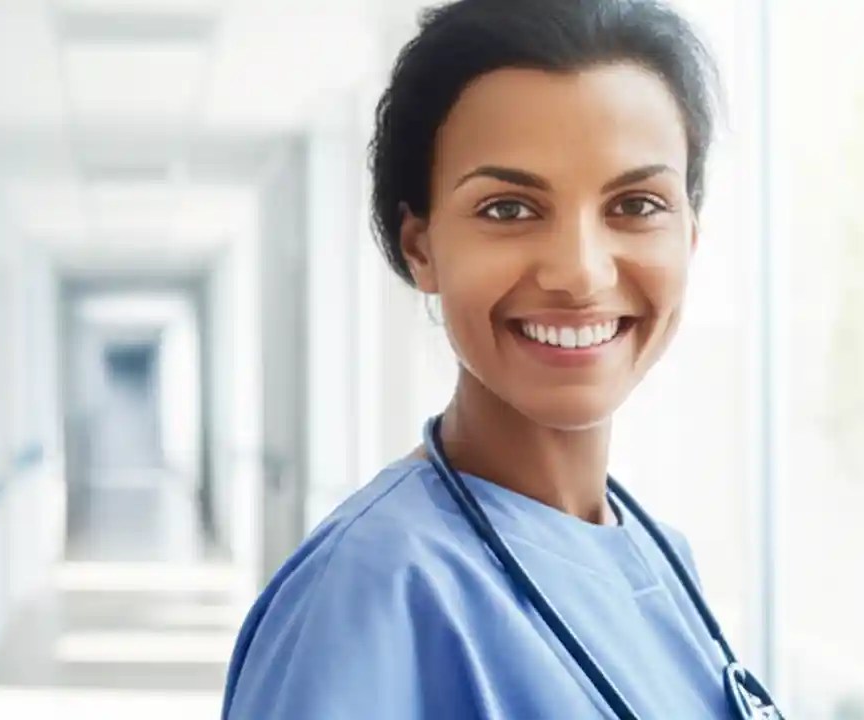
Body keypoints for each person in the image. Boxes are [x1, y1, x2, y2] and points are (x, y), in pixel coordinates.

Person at [223, 0, 775, 717]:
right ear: (421, 247)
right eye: (509, 209)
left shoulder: (660, 558)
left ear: (691, 236)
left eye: (636, 205)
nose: (579, 273)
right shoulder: (369, 593)